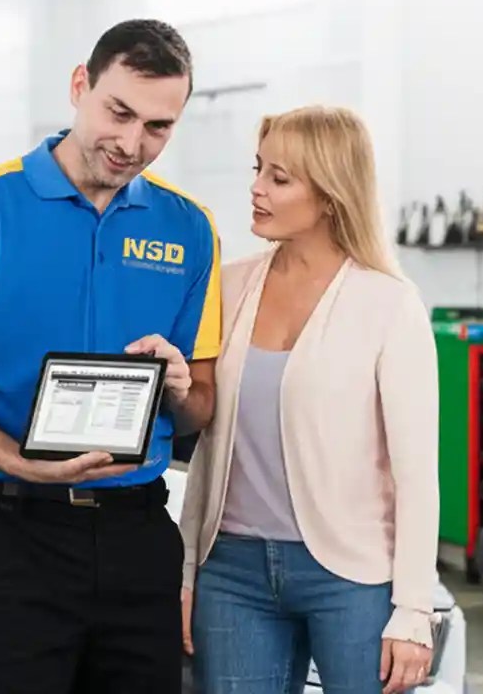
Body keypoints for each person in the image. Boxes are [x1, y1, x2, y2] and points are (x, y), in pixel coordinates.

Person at [0, 19, 221, 693]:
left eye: (158, 127)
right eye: (119, 112)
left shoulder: (190, 228)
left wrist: (182, 389)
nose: (131, 144)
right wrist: (21, 462)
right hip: (16, 539)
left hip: (138, 537)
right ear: (79, 86)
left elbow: (201, 409)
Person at [178, 105, 440, 694]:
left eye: (279, 178)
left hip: (351, 576)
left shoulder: (389, 305)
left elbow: (417, 475)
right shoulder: (228, 285)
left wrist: (413, 611)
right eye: (258, 169)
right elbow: (208, 452)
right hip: (233, 571)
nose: (256, 188)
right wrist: (188, 570)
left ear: (329, 195)